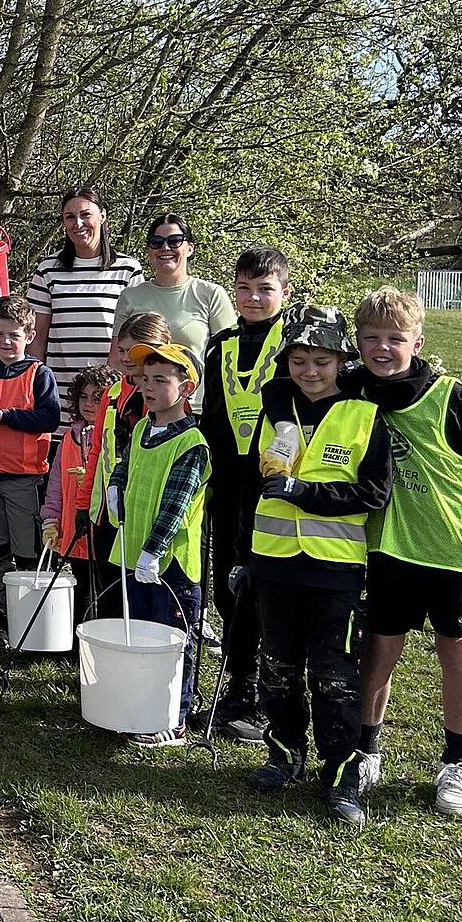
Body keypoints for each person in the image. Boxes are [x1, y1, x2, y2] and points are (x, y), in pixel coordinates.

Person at [350, 286, 462, 820]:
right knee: (380, 648)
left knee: (458, 651)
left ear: (417, 342)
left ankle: (456, 764)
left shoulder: (449, 394)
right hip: (386, 546)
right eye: (371, 338)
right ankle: (365, 749)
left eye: (395, 339)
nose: (382, 349)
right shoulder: (350, 389)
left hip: (451, 547)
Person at [246, 307, 391, 830]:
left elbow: (373, 493)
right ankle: (284, 751)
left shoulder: (363, 416)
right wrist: (245, 559)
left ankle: (342, 771)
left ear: (340, 363)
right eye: (301, 361)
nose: (311, 371)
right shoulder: (274, 408)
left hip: (334, 567)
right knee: (279, 668)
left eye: (322, 361)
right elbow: (249, 489)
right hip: (274, 561)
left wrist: (305, 493)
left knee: (334, 674)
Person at [196, 246, 294, 743]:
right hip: (227, 478)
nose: (253, 298)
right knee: (227, 581)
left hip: (277, 481)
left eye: (265, 289)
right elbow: (212, 407)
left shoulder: (295, 339)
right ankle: (237, 682)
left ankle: (261, 692)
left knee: (262, 581)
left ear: (284, 292)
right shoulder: (221, 345)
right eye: (244, 288)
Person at [105, 343, 211, 747]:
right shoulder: (141, 428)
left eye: (160, 381)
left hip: (170, 565)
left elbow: (175, 504)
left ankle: (174, 717)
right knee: (139, 636)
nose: (147, 388)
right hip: (133, 555)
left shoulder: (192, 443)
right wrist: (116, 487)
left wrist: (154, 549)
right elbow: (125, 465)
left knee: (170, 641)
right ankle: (139, 706)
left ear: (185, 388)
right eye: (145, 379)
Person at [0, 295, 60, 649]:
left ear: (29, 335)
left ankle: (33, 624)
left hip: (23, 476)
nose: (6, 341)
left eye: (14, 335)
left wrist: (6, 416)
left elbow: (49, 418)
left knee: (28, 553)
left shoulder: (39, 374)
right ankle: (0, 621)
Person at [84, 311, 173, 619]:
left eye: (137, 350)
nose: (127, 358)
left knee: (141, 598)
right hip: (106, 511)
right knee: (108, 589)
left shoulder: (166, 399)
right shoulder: (112, 393)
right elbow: (97, 451)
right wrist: (85, 503)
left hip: (144, 513)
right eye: (122, 350)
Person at [113, 214, 236, 409]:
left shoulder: (211, 294)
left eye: (174, 241)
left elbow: (230, 360)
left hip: (198, 408)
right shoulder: (130, 296)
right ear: (147, 250)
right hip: (140, 409)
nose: (165, 248)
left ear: (190, 248)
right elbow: (117, 360)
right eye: (156, 242)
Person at [26, 186, 143, 382]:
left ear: (102, 216)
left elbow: (135, 336)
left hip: (111, 389)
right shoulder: (48, 270)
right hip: (59, 390)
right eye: (70, 217)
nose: (78, 223)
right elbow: (36, 338)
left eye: (85, 215)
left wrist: (111, 385)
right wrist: (38, 384)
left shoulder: (128, 270)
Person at [40, 365, 121, 611]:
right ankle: (76, 642)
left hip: (104, 530)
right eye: (84, 396)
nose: (89, 403)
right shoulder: (68, 438)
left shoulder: (117, 438)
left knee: (106, 590)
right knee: (81, 587)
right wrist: (50, 520)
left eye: (98, 398)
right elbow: (55, 484)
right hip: (74, 529)